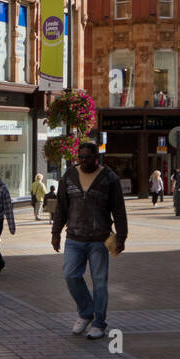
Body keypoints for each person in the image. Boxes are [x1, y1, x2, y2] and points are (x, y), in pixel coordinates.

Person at [52, 141, 129, 340]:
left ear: (97, 157)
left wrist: (121, 237)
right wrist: (56, 232)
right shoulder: (69, 176)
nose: (84, 161)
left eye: (88, 157)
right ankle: (86, 312)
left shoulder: (108, 177)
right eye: (81, 157)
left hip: (99, 238)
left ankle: (99, 323)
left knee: (100, 282)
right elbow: (61, 207)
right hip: (74, 237)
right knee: (70, 275)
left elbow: (119, 209)